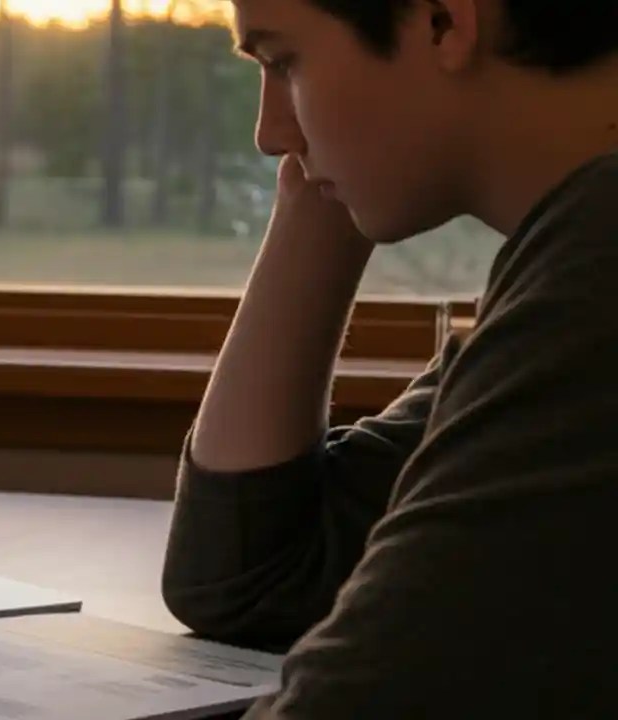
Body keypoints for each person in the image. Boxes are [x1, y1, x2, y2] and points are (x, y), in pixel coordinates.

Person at [160, 0, 618, 717]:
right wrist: (323, 187)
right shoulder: (570, 256)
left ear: (442, 21)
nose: (269, 134)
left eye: (285, 62)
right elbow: (249, 578)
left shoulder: (600, 274)